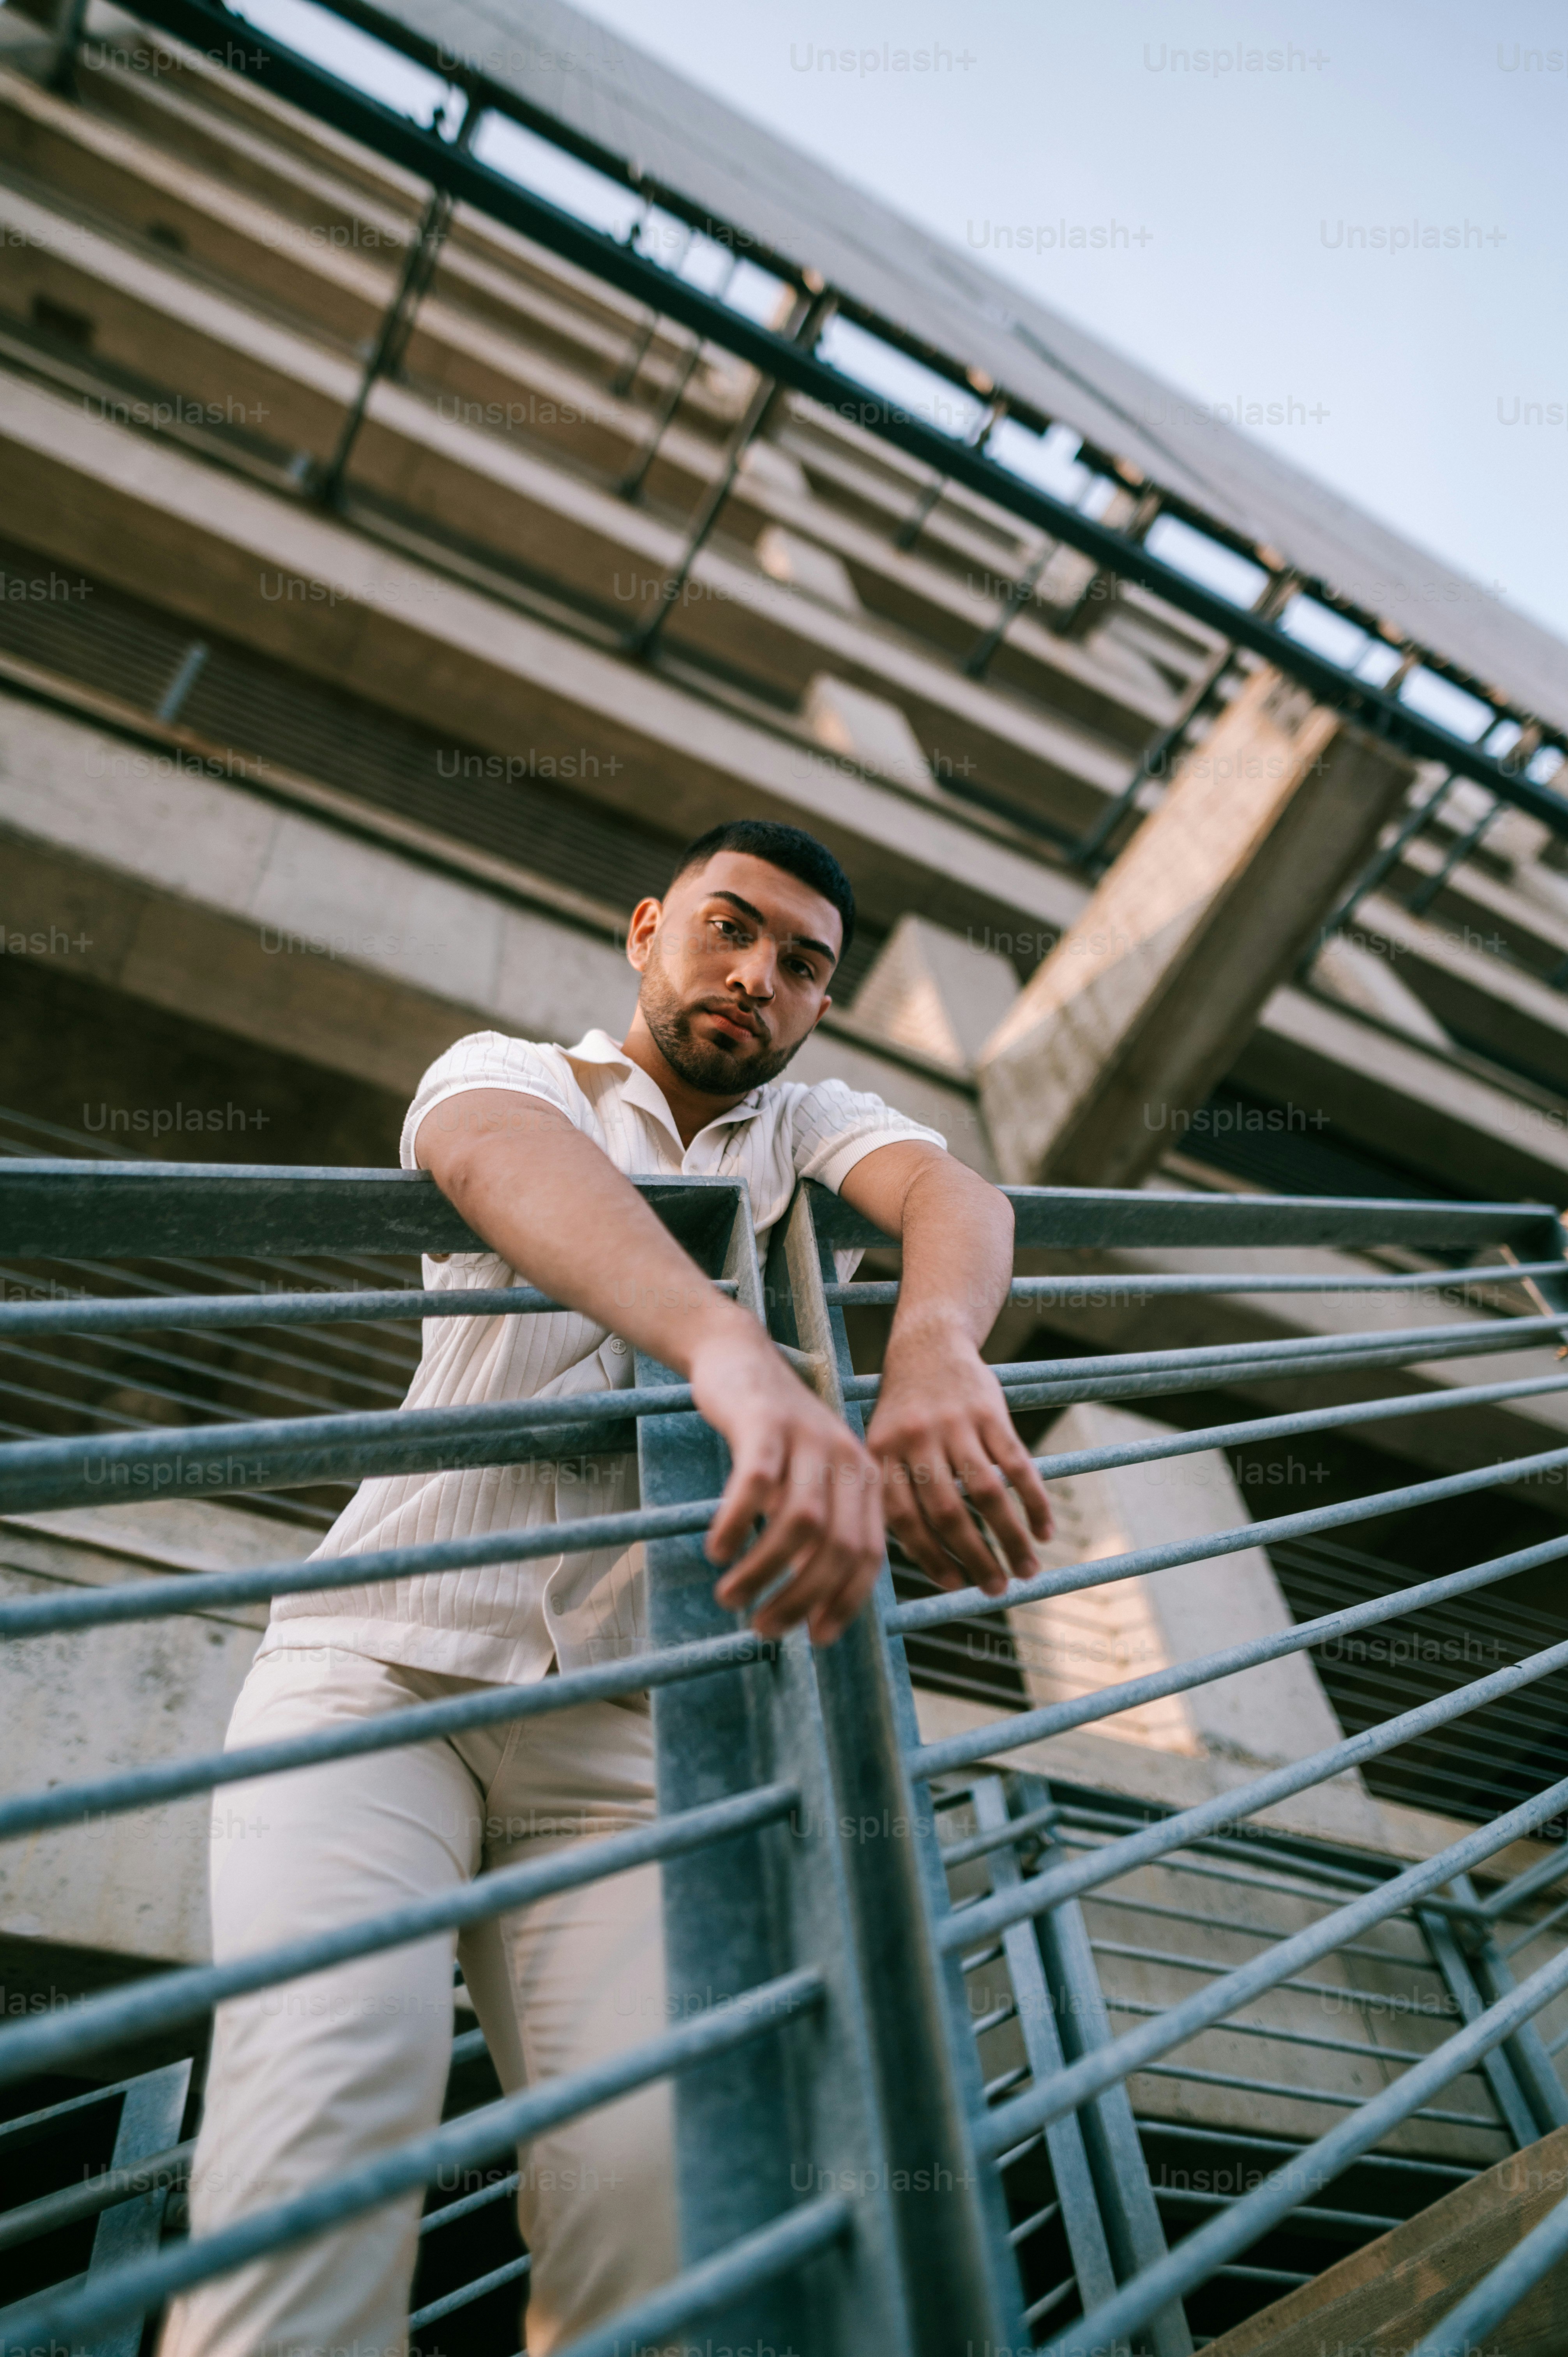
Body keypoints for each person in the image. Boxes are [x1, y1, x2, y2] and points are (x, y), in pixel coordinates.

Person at [161, 818, 1052, 2357]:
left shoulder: (800, 1131)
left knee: (662, 2203)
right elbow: (495, 1166)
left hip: (629, 1735)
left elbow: (961, 1199)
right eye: (730, 929)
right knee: (312, 2152)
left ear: (821, 1006)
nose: (756, 977)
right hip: (382, 1674)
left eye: (799, 965)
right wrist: (734, 1356)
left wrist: (930, 1351)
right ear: (648, 931)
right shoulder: (517, 1075)